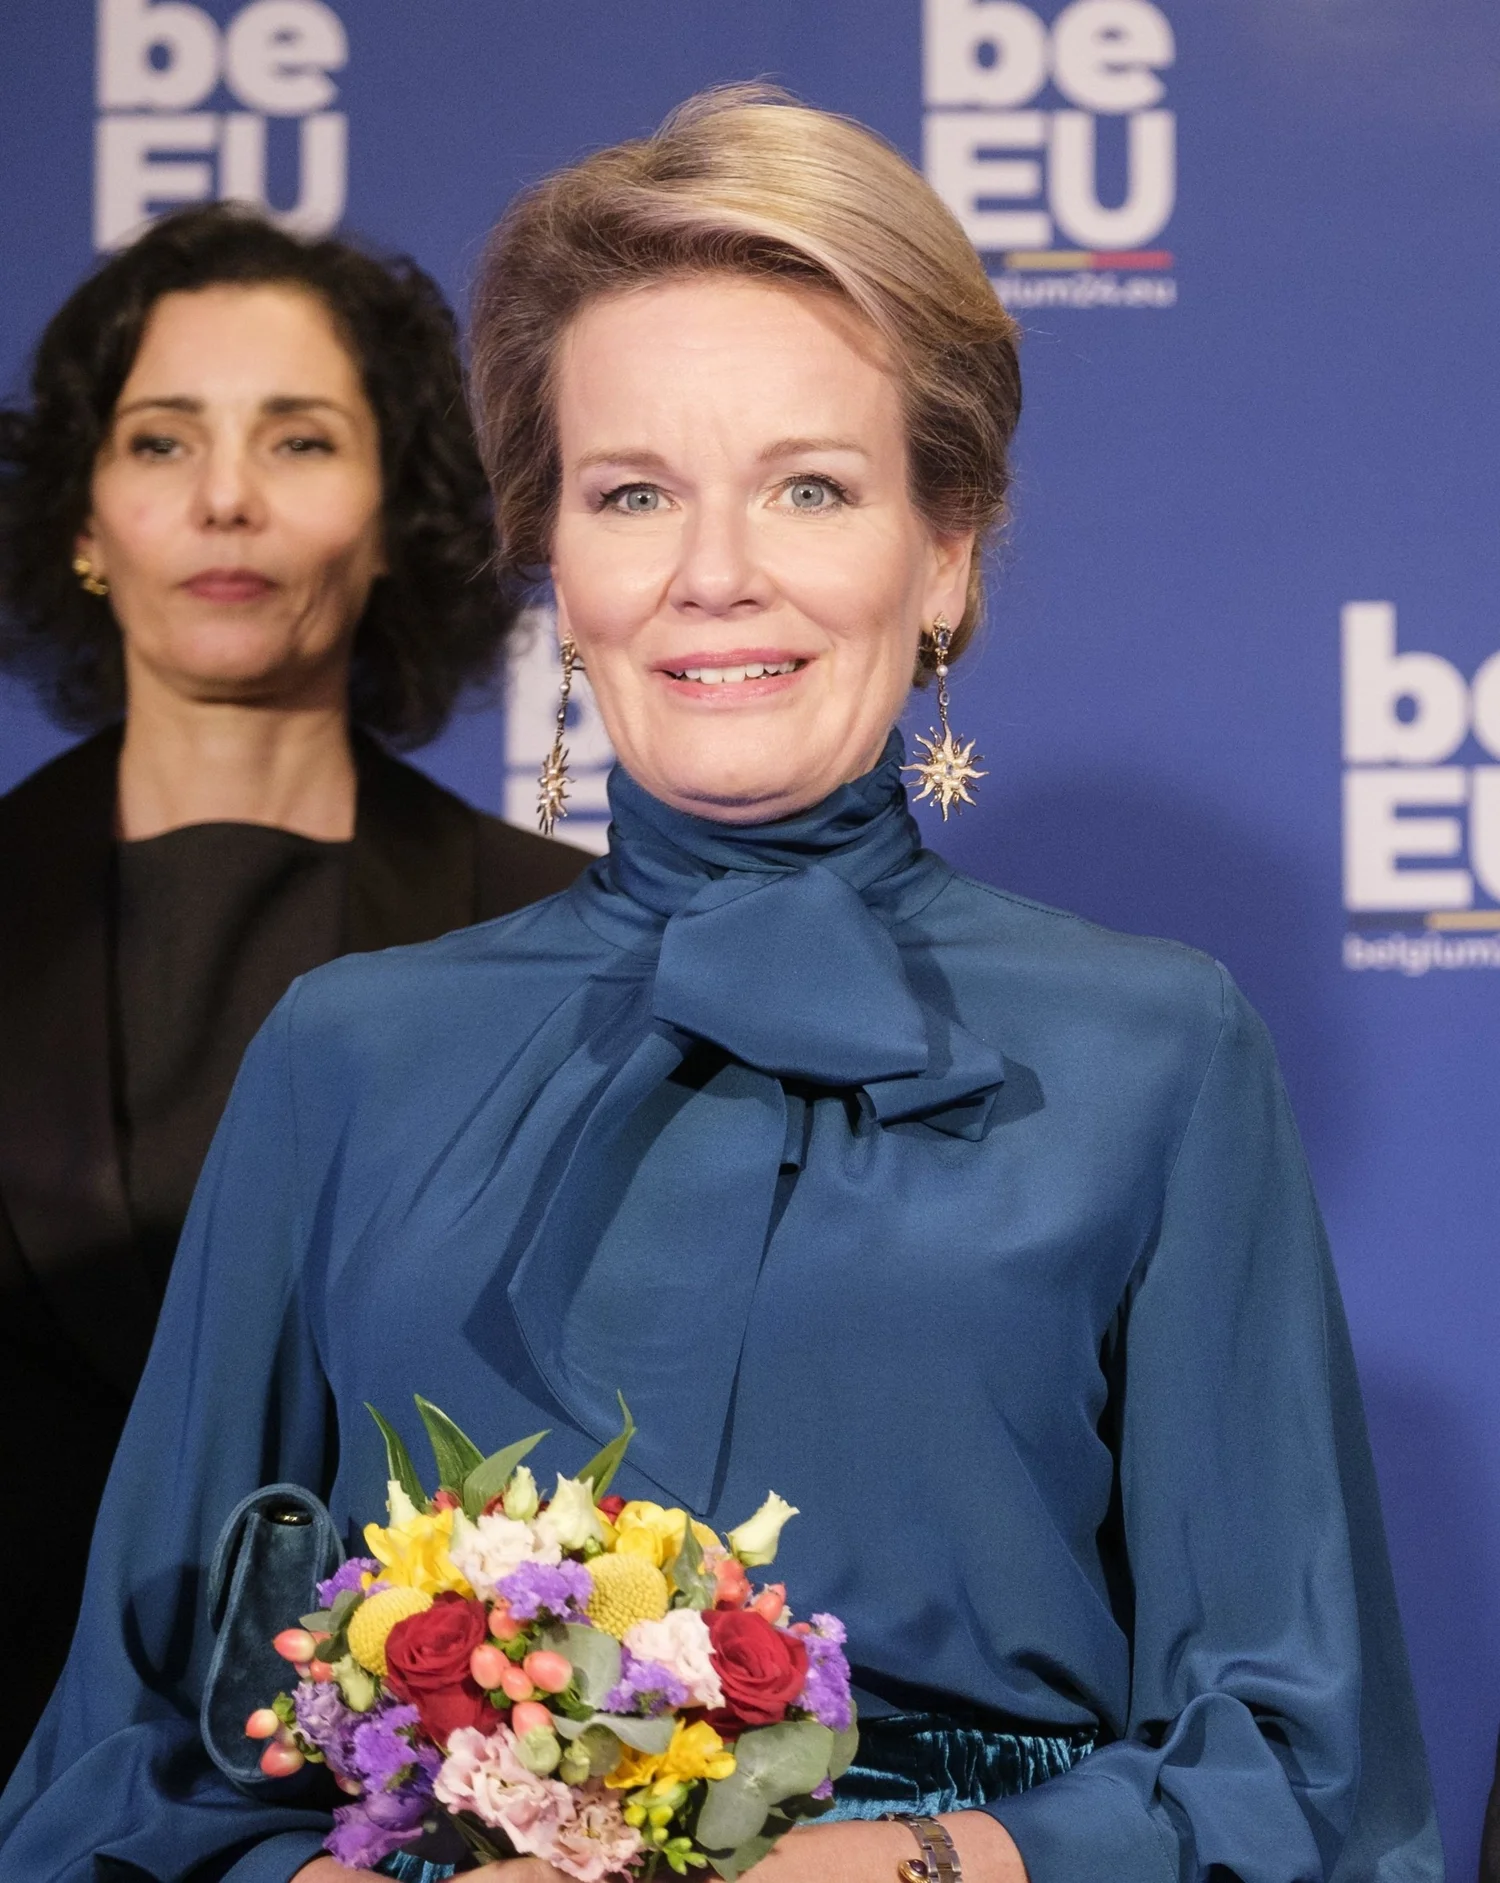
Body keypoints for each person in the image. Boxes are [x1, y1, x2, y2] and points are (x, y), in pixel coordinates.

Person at [0, 90, 1442, 1883]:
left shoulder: (1155, 1052)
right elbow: (119, 1765)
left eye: (810, 486)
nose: (712, 576)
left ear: (947, 550)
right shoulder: (352, 1054)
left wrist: (936, 1866)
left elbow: (1304, 1768)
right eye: (633, 493)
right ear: (559, 561)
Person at [0, 204, 587, 1783]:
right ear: (82, 513)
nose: (227, 501)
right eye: (162, 441)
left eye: (302, 441)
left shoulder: (558, 942)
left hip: (396, 1810)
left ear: (396, 514)